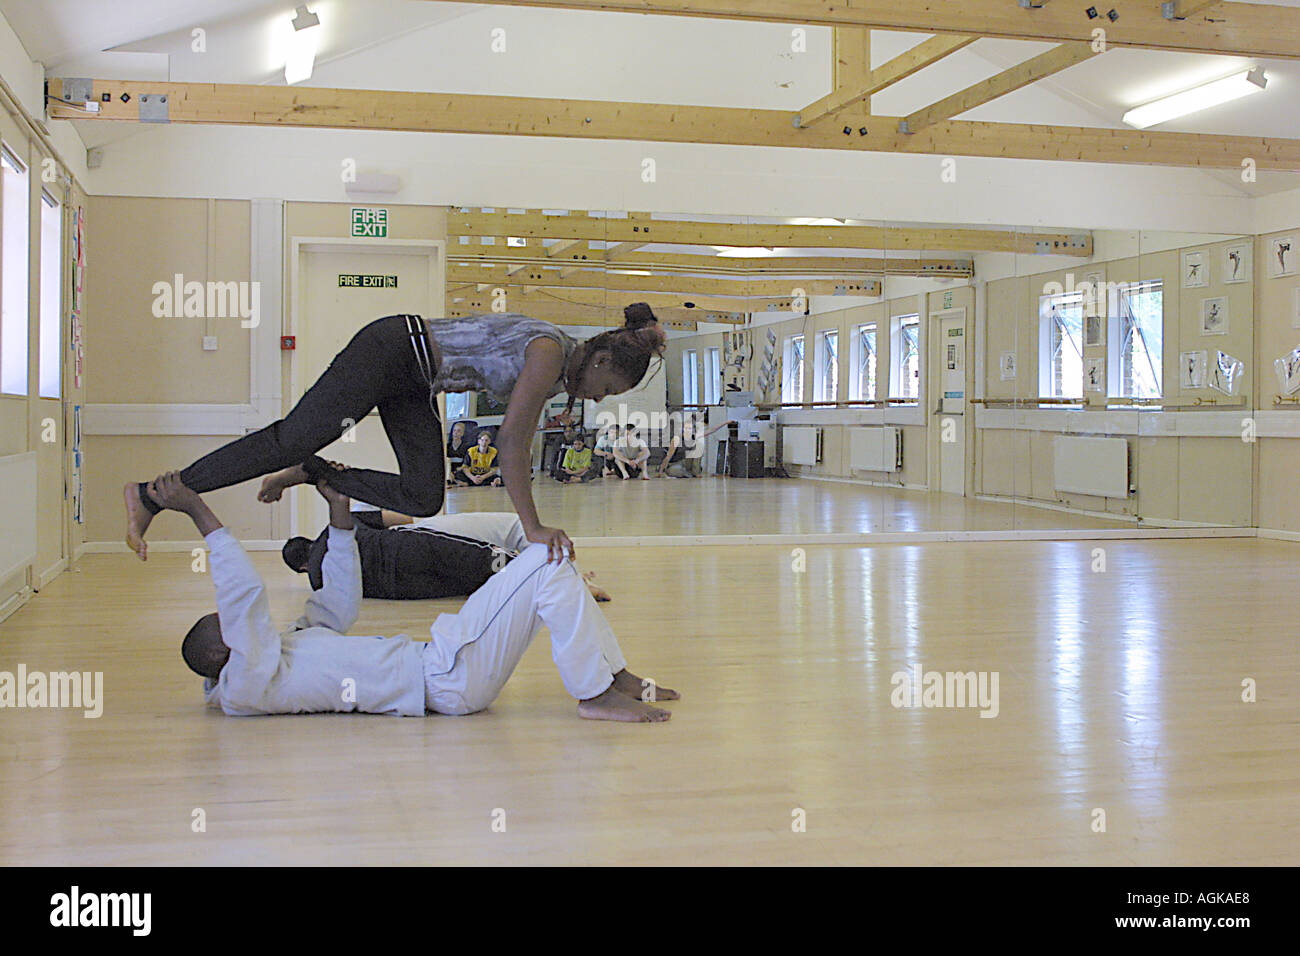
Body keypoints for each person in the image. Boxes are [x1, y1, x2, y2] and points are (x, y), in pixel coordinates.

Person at [123, 304, 668, 563]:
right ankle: (152, 494)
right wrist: (534, 527)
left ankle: (313, 472)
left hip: (415, 380)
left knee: (423, 496)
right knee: (293, 435)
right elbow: (510, 443)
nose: (599, 399)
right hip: (392, 349)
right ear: (599, 359)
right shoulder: (548, 354)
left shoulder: (560, 367)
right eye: (606, 388)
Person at [150, 471, 678, 722]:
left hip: (444, 664)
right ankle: (595, 691)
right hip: (445, 678)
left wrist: (339, 513)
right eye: (229, 626)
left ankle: (610, 675)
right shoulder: (246, 683)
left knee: (549, 557)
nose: (247, 623)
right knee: (544, 556)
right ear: (222, 654)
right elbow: (242, 596)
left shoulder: (278, 654)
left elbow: (338, 601)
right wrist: (196, 509)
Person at [281, 508, 611, 602]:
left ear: (302, 568)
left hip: (404, 589)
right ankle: (564, 578)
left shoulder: (317, 582)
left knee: (474, 582)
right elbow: (397, 518)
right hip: (408, 548)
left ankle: (555, 582)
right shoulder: (335, 527)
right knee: (486, 559)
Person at [658, 415, 735, 479]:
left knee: (699, 445)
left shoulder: (693, 436)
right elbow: (668, 457)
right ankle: (688, 473)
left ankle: (695, 471)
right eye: (686, 428)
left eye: (690, 428)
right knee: (673, 471)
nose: (688, 430)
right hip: (675, 463)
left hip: (686, 462)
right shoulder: (676, 439)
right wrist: (661, 471)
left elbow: (711, 430)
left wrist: (725, 423)